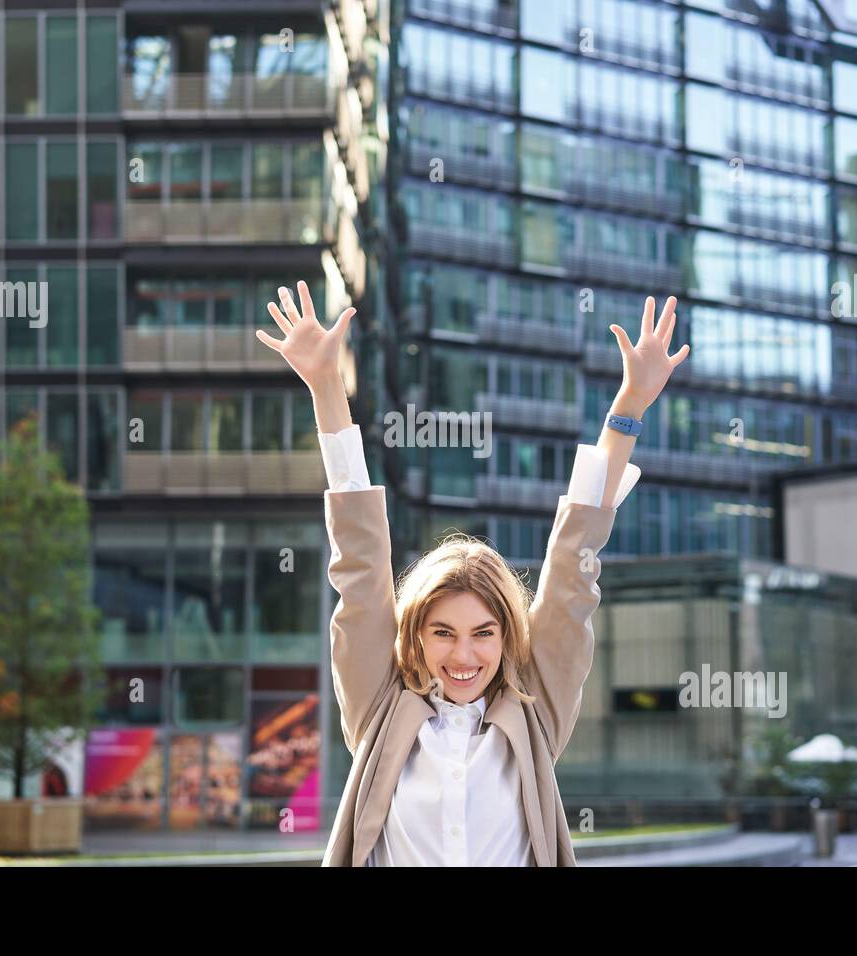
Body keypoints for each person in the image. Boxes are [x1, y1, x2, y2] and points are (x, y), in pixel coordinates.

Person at [256, 280, 689, 866]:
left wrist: (630, 406)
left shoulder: (535, 711)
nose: (464, 656)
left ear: (508, 637)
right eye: (443, 632)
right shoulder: (380, 709)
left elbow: (569, 573)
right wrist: (326, 386)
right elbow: (359, 566)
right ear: (415, 636)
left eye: (483, 633)